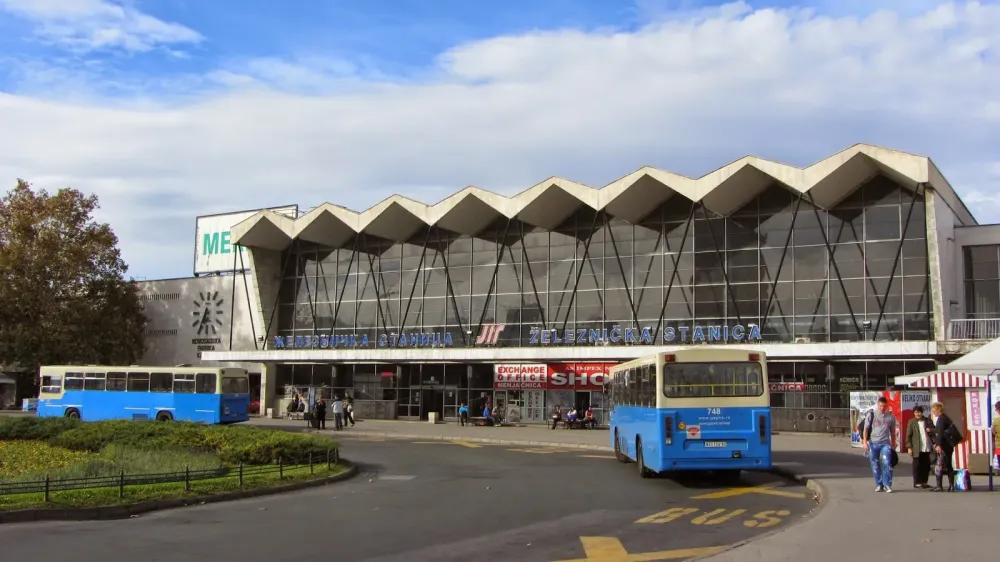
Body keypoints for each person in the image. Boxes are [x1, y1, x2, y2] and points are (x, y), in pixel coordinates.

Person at [861, 396, 897, 493]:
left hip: (885, 443)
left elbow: (893, 432)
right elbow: (866, 429)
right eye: (881, 406)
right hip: (873, 443)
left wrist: (893, 444)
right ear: (878, 405)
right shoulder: (871, 415)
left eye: (884, 406)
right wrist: (865, 442)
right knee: (875, 465)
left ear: (887, 406)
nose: (882, 408)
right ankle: (879, 484)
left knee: (887, 463)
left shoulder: (890, 417)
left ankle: (887, 485)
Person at [930, 402, 956, 492]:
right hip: (949, 445)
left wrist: (938, 445)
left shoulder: (941, 419)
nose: (933, 413)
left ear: (938, 410)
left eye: (934, 411)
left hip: (943, 445)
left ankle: (939, 486)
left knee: (939, 465)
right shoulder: (946, 418)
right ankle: (951, 485)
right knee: (949, 465)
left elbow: (939, 433)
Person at [904, 405, 931, 488]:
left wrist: (931, 430)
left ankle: (924, 481)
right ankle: (917, 482)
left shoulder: (928, 421)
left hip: (927, 445)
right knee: (917, 465)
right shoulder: (911, 422)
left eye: (918, 412)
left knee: (926, 465)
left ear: (922, 412)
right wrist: (909, 447)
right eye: (915, 412)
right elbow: (908, 435)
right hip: (916, 447)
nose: (917, 414)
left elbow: (934, 430)